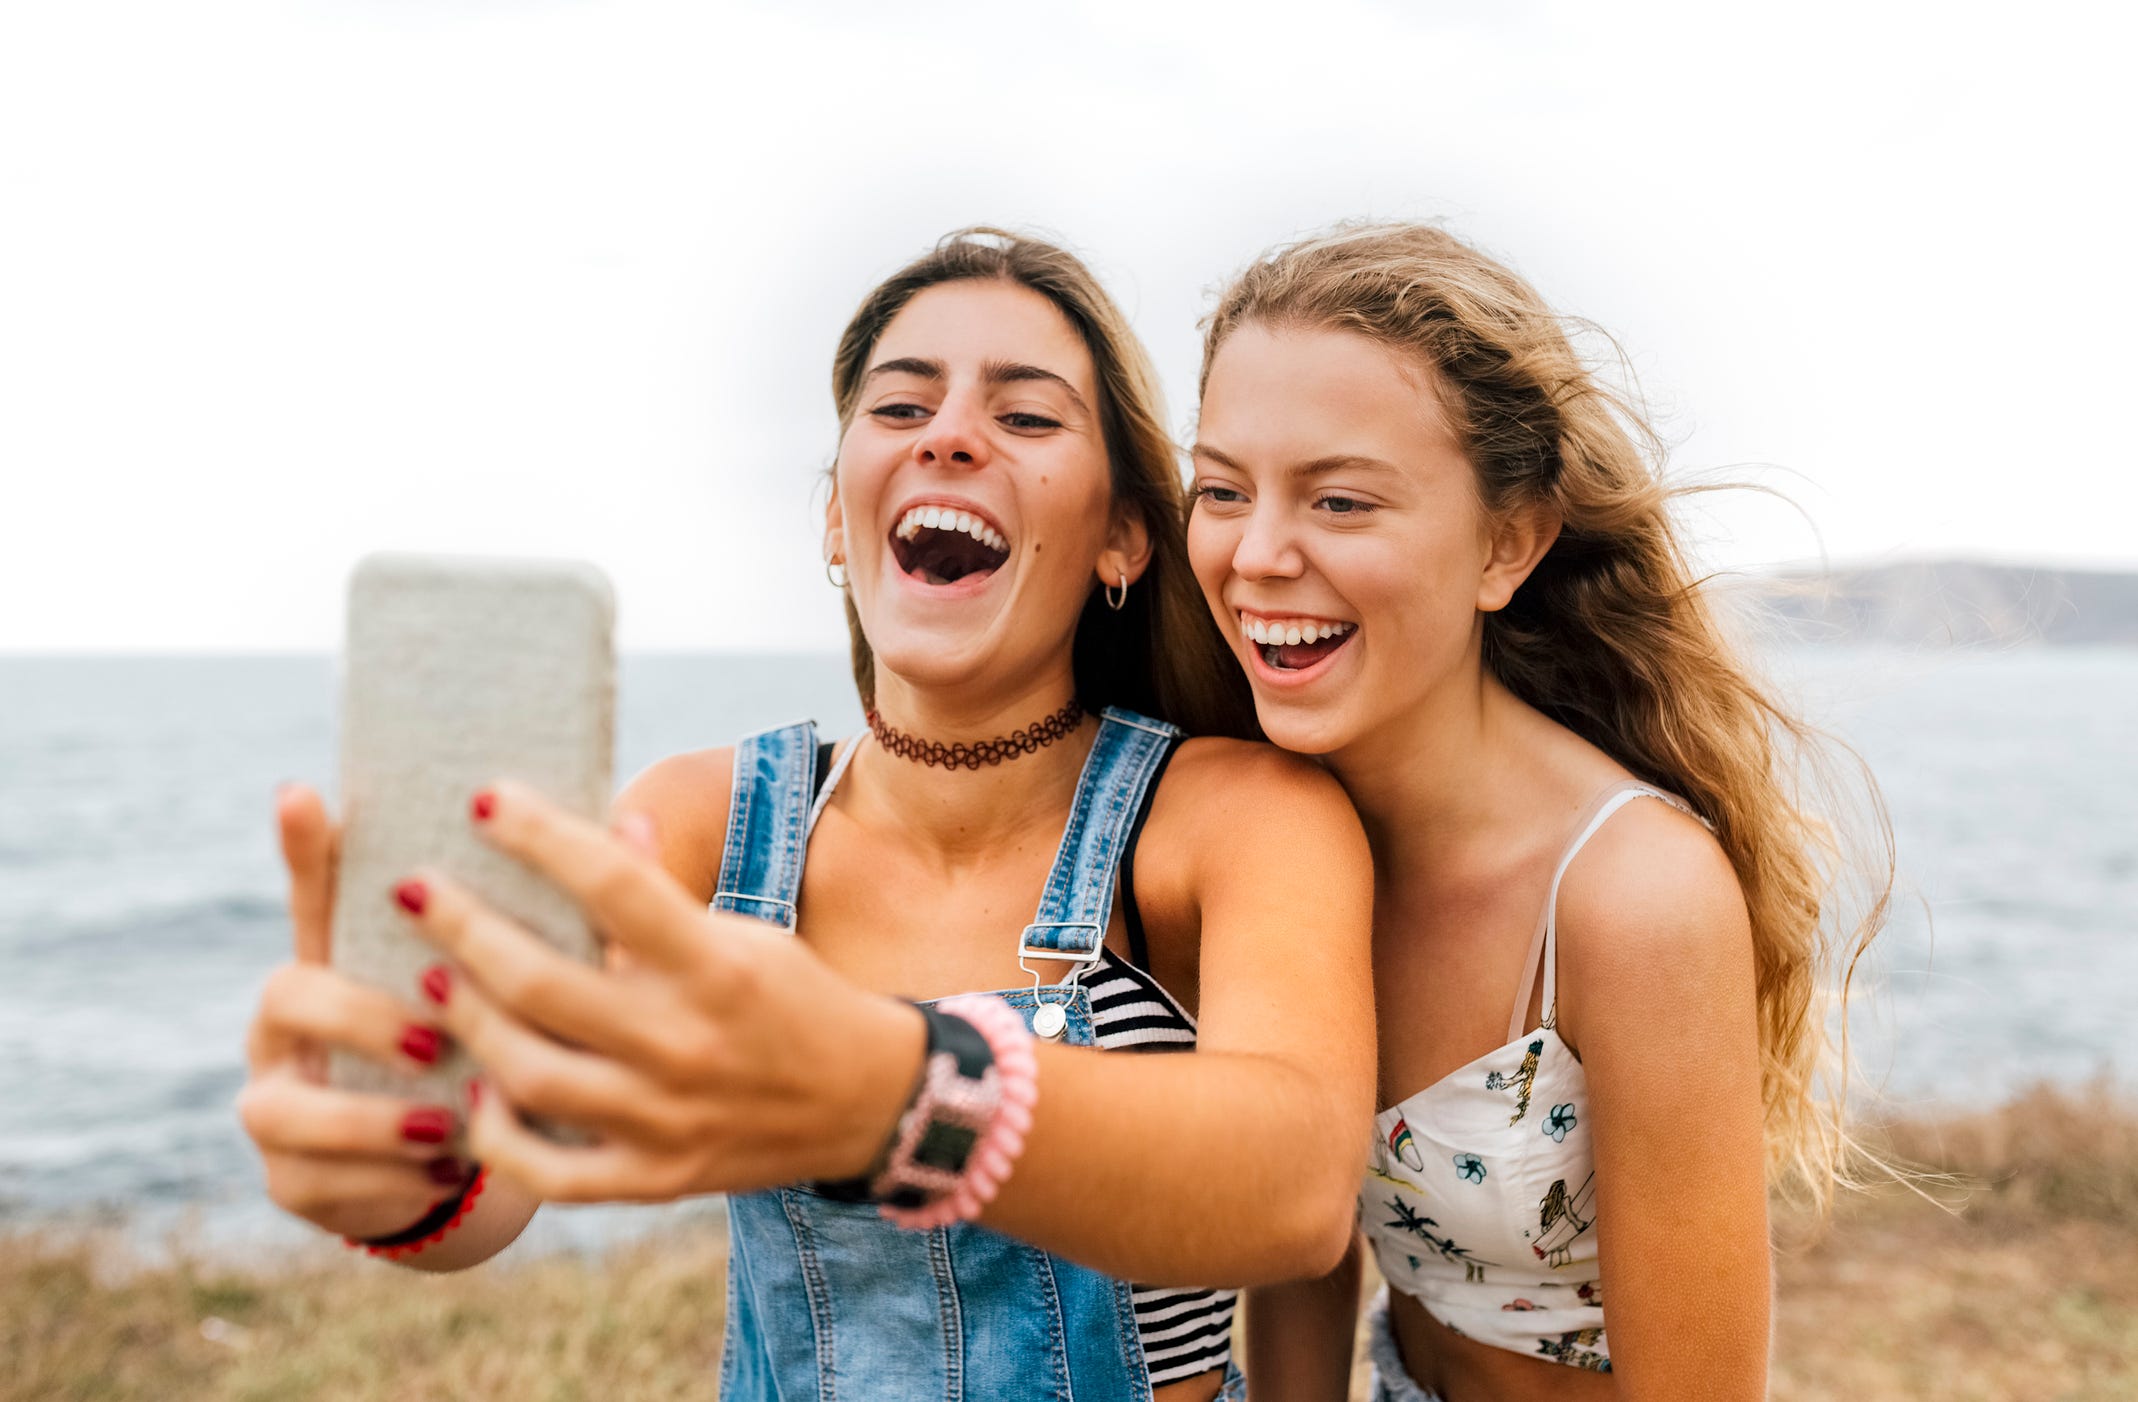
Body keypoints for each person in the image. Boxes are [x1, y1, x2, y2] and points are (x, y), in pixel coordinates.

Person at [239, 228, 1377, 1401]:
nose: (947, 434)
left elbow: (1292, 1194)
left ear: (1120, 539)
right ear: (838, 520)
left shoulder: (1233, 818)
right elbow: (500, 1183)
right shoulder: (694, 824)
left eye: (1027, 418)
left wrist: (888, 1090)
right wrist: (402, 1174)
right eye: (898, 408)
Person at [1185, 223, 1891, 1400]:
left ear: (1503, 546)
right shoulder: (1268, 827)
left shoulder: (1631, 897)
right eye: (1220, 489)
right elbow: (1299, 1231)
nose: (1256, 553)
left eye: (1341, 501)